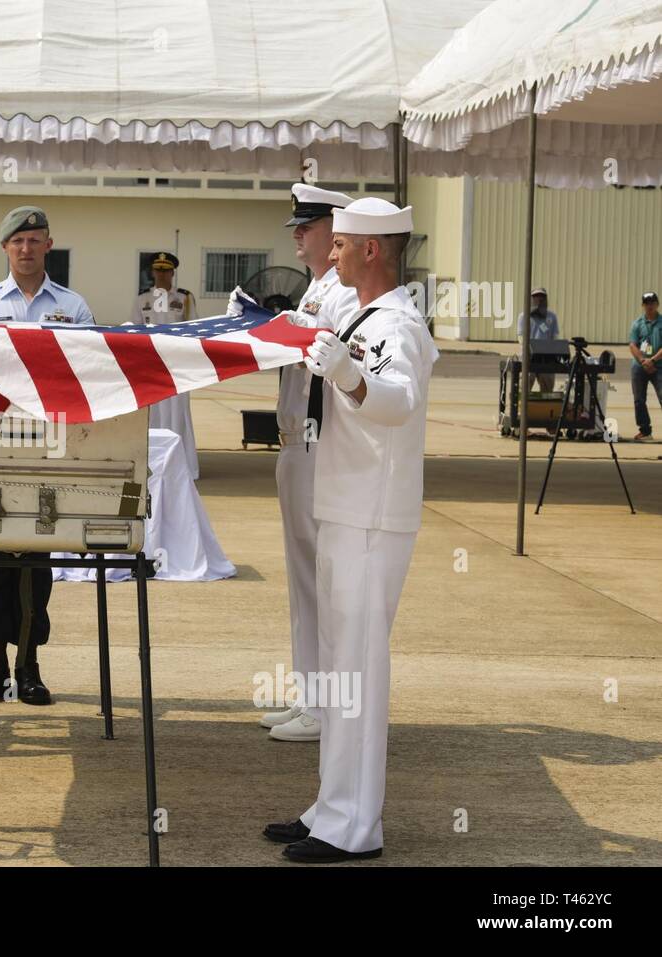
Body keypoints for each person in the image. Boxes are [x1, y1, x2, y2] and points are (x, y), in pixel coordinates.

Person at [265, 197, 438, 863]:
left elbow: (396, 400)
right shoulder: (363, 313)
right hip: (344, 507)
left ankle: (356, 827)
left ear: (370, 250)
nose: (329, 255)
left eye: (339, 246)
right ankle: (330, 809)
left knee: (359, 672)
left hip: (371, 513)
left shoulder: (399, 323)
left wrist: (345, 371)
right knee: (340, 670)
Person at [0, 205, 94, 706]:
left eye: (35, 240)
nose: (26, 248)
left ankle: (29, 666)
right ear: (5, 248)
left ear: (48, 246)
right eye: (18, 241)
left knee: (37, 555)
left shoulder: (74, 309)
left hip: (48, 444)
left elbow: (84, 372)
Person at [260, 183, 357, 744]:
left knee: (320, 578)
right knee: (302, 578)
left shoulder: (339, 292)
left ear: (334, 231)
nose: (298, 235)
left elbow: (324, 354)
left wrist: (274, 330)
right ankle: (310, 695)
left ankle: (325, 706)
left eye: (308, 226)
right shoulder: (316, 288)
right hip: (295, 441)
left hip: (318, 446)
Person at [630, 291, 662, 441]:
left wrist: (653, 360)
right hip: (639, 366)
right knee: (639, 399)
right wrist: (643, 361)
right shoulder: (637, 324)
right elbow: (633, 345)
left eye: (652, 303)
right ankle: (645, 430)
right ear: (643, 305)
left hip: (659, 366)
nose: (650, 306)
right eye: (647, 303)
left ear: (657, 304)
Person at [131, 251, 196, 325]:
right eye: (158, 270)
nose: (161, 274)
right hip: (151, 336)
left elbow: (193, 324)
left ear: (172, 273)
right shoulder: (142, 298)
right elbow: (135, 326)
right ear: (153, 272)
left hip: (173, 336)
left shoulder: (185, 298)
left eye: (166, 270)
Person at [521, 287, 560, 392]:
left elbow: (555, 336)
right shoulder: (524, 316)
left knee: (547, 382)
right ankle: (525, 405)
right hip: (529, 355)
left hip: (546, 356)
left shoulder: (552, 317)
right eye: (536, 297)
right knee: (527, 380)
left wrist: (553, 352)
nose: (539, 300)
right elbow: (520, 337)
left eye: (542, 297)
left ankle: (545, 406)